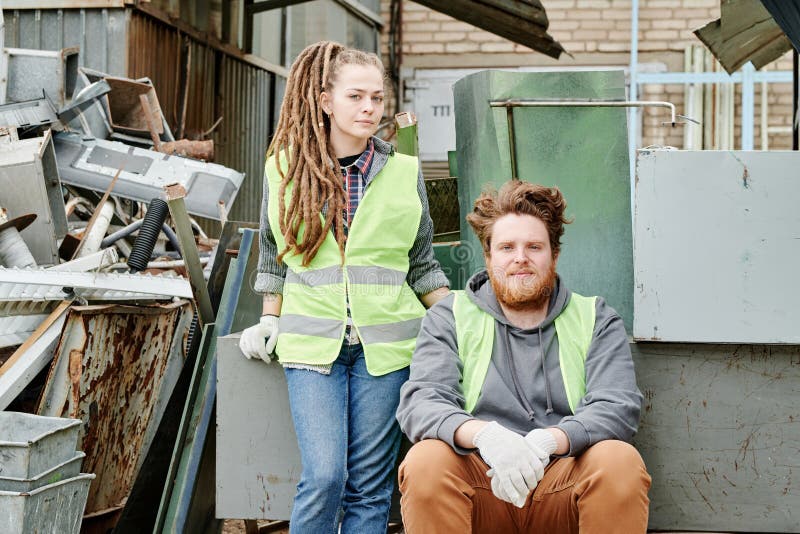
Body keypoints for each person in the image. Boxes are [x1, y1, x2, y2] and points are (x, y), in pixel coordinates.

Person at [238, 41, 450, 534]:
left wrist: (458, 317)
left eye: (376, 97)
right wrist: (269, 316)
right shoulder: (284, 169)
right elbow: (272, 253)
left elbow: (421, 264)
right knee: (325, 476)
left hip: (388, 353)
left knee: (370, 488)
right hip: (312, 347)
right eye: (355, 96)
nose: (369, 108)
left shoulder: (403, 172)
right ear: (325, 101)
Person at [395, 180, 650, 533]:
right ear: (488, 256)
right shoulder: (450, 316)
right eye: (506, 247)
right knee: (426, 461)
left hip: (561, 484)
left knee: (619, 461)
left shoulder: (595, 317)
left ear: (554, 254)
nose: (520, 258)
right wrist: (485, 436)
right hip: (482, 485)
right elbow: (423, 401)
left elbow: (617, 404)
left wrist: (549, 441)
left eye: (534, 246)